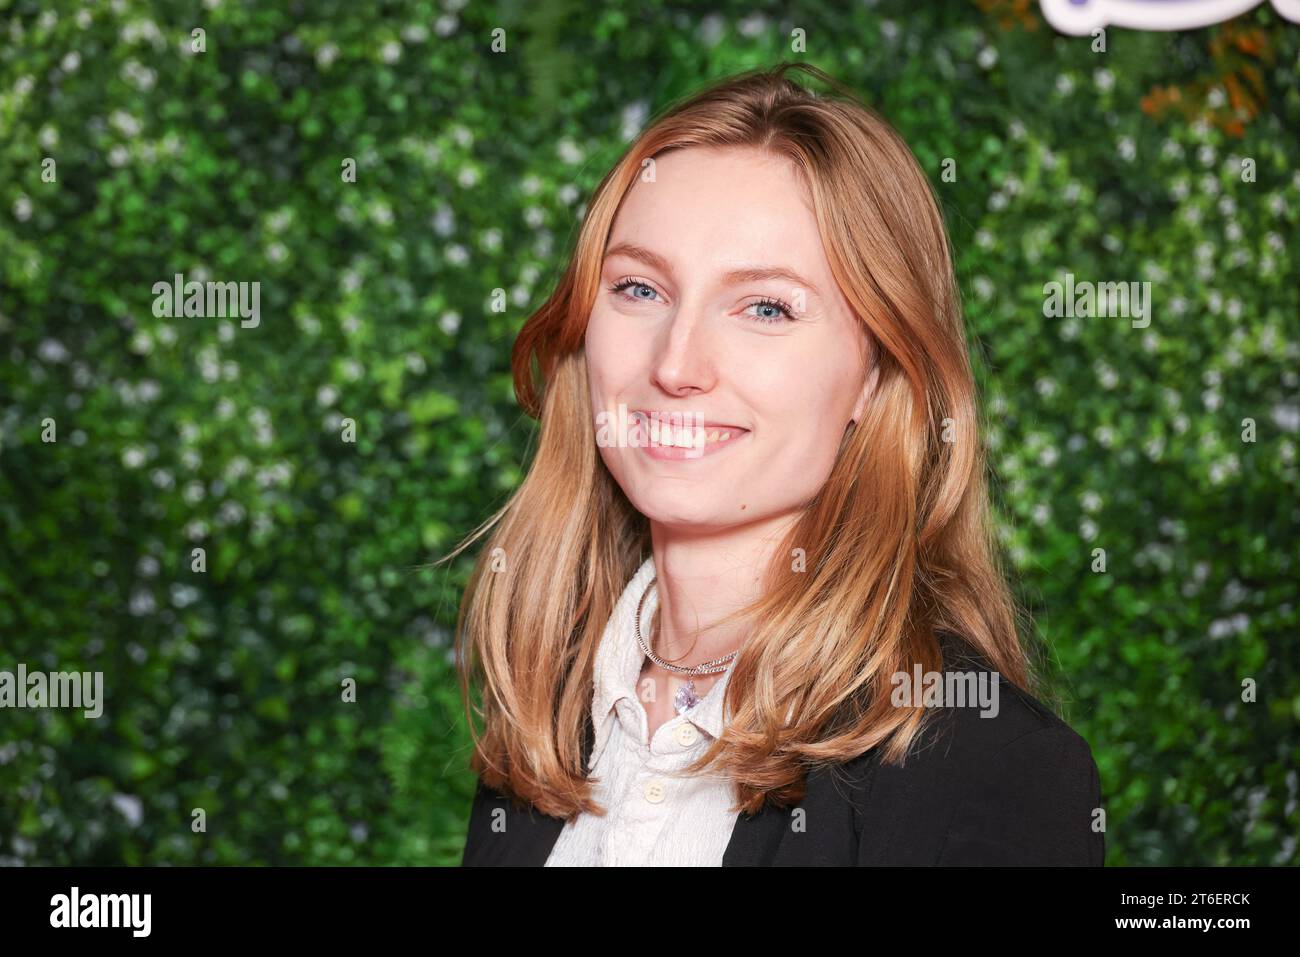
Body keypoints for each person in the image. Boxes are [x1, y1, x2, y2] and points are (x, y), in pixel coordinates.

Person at [448, 62, 1104, 866]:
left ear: (877, 372)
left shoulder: (985, 767)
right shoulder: (549, 717)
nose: (677, 364)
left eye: (764, 307)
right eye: (639, 289)